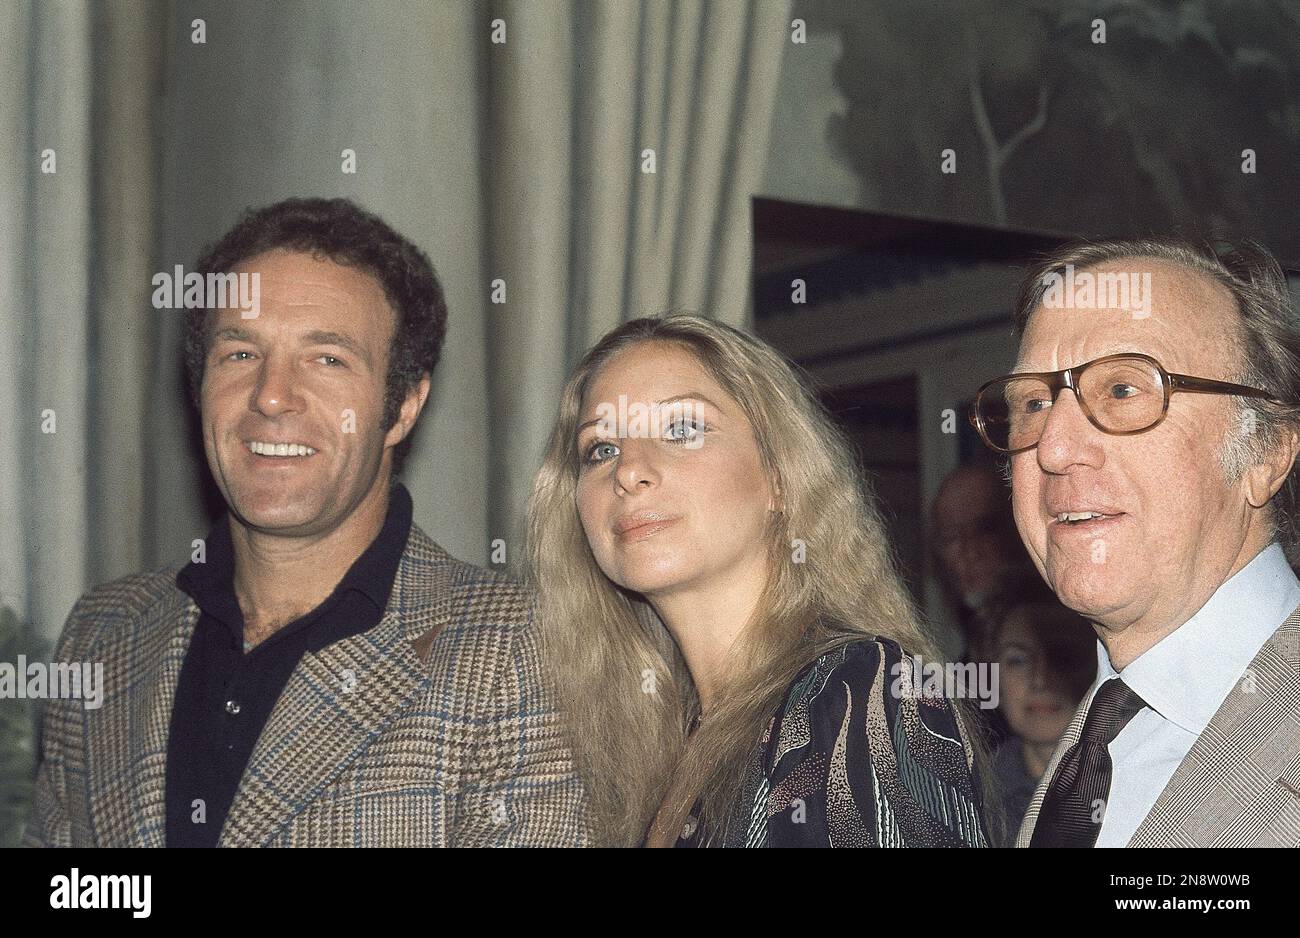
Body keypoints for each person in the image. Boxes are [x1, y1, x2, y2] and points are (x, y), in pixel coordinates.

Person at [24, 198, 589, 847]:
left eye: (327, 359)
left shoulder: (525, 655)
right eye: (239, 353)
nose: (271, 395)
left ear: (404, 406)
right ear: (198, 383)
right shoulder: (104, 632)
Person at [527, 314, 989, 847]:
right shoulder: (658, 740)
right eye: (600, 448)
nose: (628, 469)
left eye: (682, 429)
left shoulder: (861, 692)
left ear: (778, 476)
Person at [970, 236, 1300, 847]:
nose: (1054, 448)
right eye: (1034, 403)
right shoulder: (1083, 746)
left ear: (1267, 451)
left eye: (1123, 391)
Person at [985, 575, 1096, 846]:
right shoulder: (969, 792)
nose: (1040, 679)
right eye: (1019, 660)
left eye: (1061, 656)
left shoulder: (1136, 778)